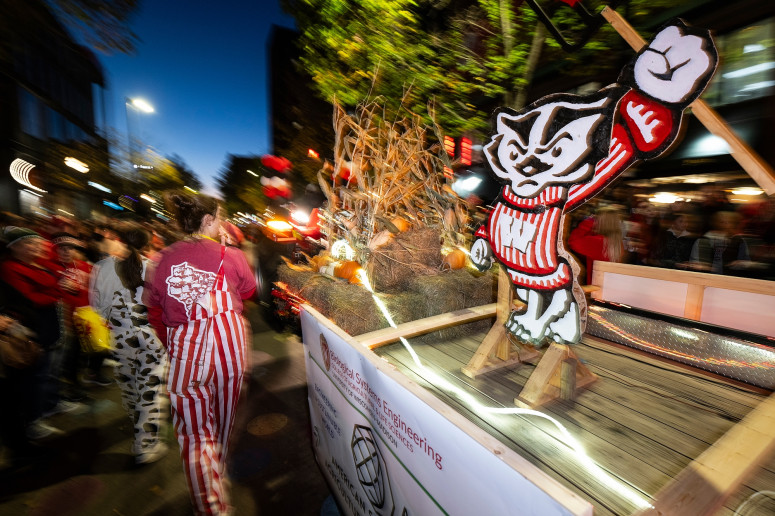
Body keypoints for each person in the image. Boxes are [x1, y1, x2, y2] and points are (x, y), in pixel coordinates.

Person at [145, 191, 256, 515]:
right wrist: (227, 250)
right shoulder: (231, 255)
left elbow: (155, 311)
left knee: (195, 435)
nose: (223, 222)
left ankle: (211, 505)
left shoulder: (160, 259)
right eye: (220, 216)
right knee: (222, 423)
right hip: (230, 350)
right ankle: (215, 471)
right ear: (208, 220)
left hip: (187, 351)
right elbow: (249, 290)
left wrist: (174, 344)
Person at [90, 223, 169, 464]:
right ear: (147, 244)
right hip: (149, 337)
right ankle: (145, 446)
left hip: (120, 337)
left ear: (120, 240)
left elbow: (96, 307)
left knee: (131, 385)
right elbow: (164, 307)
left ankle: (139, 426)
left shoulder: (101, 267)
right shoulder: (153, 267)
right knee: (149, 391)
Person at [568, 206, 627, 284]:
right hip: (609, 285)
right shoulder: (617, 242)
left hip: (596, 287)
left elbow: (573, 241)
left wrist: (589, 222)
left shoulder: (599, 242)